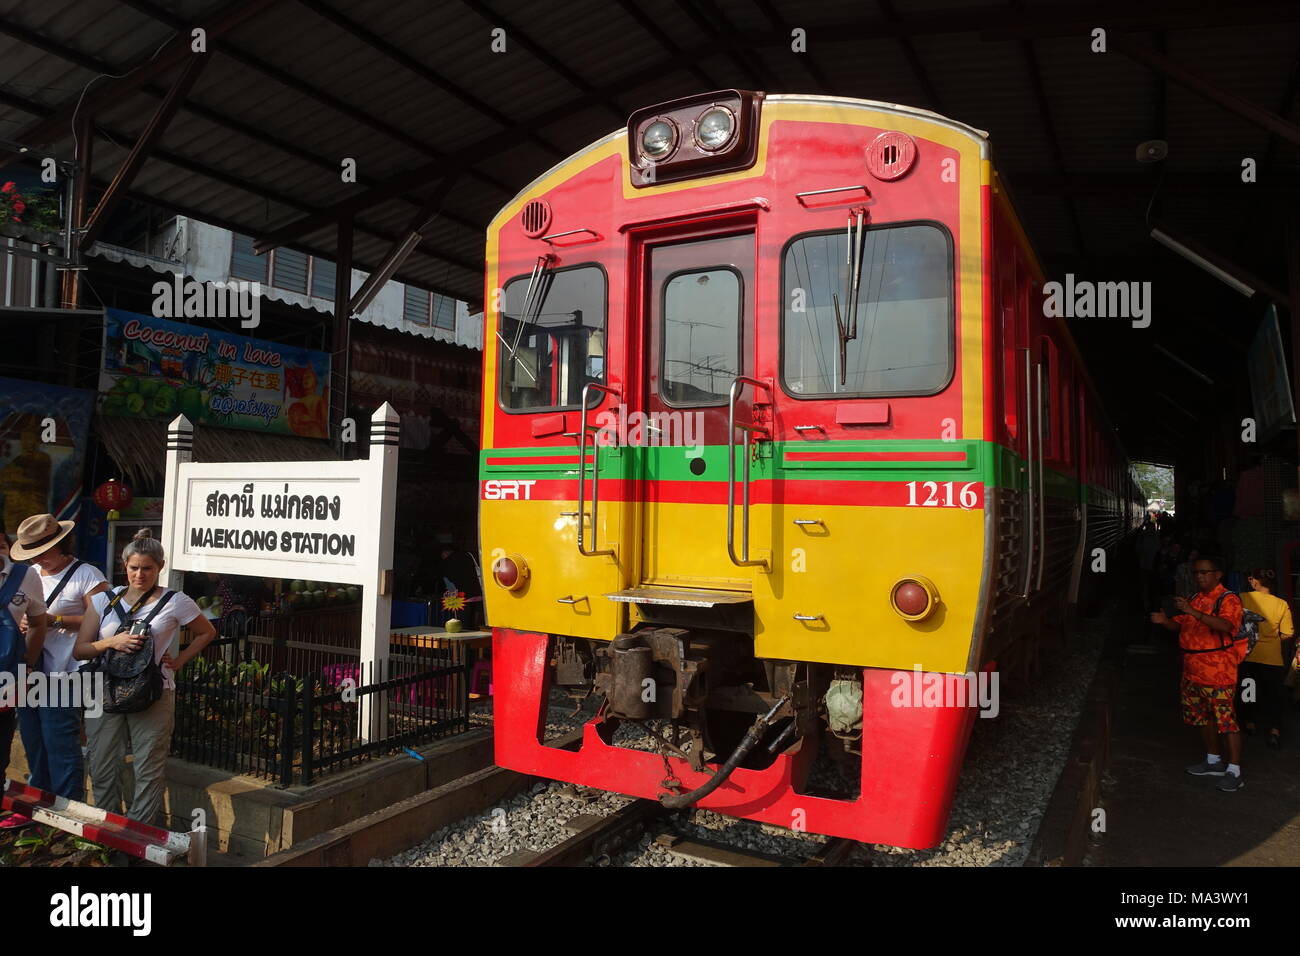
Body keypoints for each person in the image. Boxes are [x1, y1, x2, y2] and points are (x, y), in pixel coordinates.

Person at [74, 528, 216, 826]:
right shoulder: (102, 601)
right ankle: (108, 830)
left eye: (147, 568)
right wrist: (111, 642)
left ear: (160, 567)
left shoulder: (176, 601)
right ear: (124, 567)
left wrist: (177, 661)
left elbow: (207, 632)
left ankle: (137, 833)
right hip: (104, 690)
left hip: (153, 690)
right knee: (101, 764)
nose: (140, 575)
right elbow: (81, 650)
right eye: (134, 568)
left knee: (148, 766)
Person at [8, 514, 108, 816]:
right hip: (29, 670)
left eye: (42, 551)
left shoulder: (87, 574)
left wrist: (56, 620)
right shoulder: (28, 575)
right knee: (33, 743)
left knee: (60, 745)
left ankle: (67, 813)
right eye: (32, 553)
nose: (38, 558)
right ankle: (39, 810)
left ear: (60, 544)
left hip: (65, 673)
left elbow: (104, 620)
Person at [1150, 557, 1247, 792]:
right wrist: (1165, 621)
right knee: (1204, 717)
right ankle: (1213, 760)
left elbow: (1226, 626)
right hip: (1193, 671)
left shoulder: (1229, 599)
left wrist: (1192, 611)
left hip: (1219, 672)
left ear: (1218, 574)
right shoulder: (1194, 598)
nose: (1200, 577)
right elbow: (1180, 625)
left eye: (1205, 572)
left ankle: (1234, 770)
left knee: (1226, 720)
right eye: (1197, 573)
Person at [0, 526, 49, 828]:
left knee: (1, 748)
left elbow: (38, 623)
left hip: (7, 678)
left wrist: (28, 663)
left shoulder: (26, 576)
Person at [1238, 568, 1294, 749]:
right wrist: (1272, 638)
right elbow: (1287, 633)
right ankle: (1274, 730)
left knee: (1248, 692)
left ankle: (1250, 723)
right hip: (1272, 658)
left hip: (1248, 655)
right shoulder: (1281, 604)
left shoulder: (1243, 598)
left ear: (1254, 581)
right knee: (1273, 696)